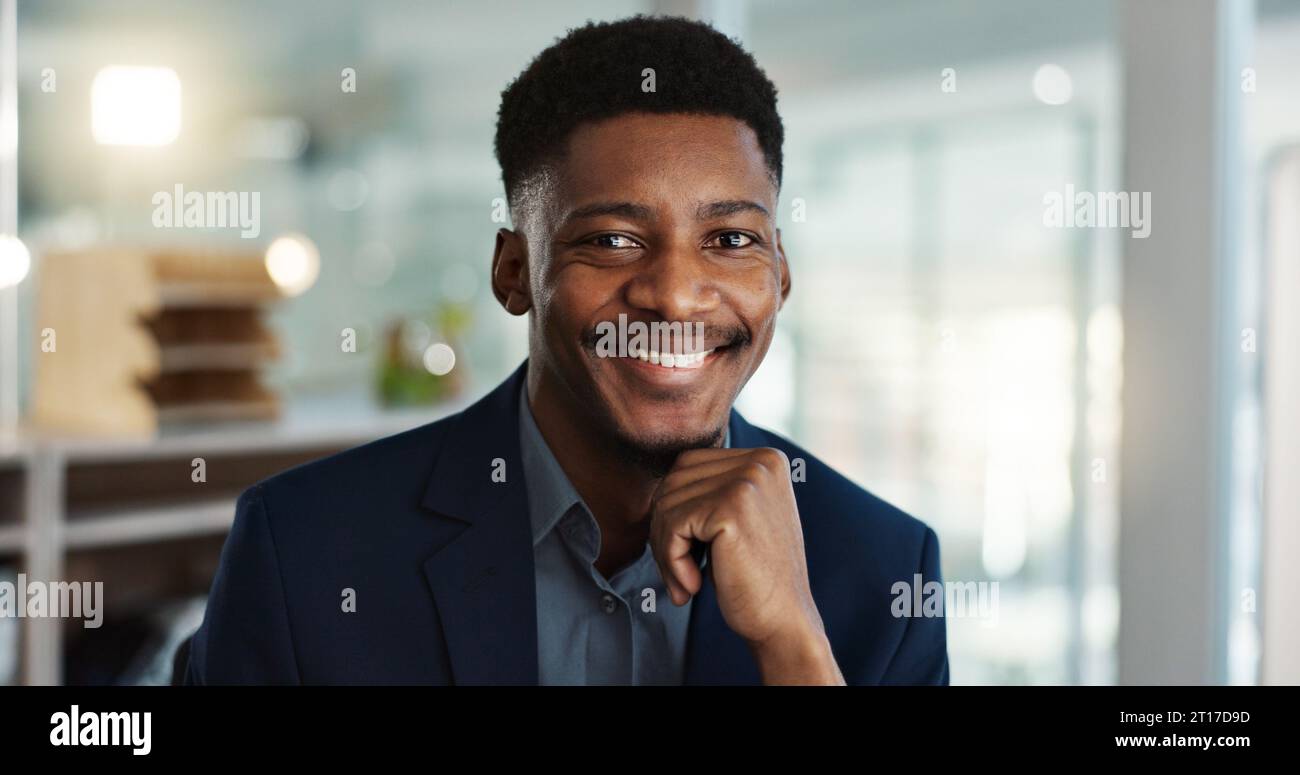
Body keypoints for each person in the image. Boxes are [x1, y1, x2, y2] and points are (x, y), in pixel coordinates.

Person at [184, 15, 949, 686]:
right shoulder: (305, 548)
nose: (676, 296)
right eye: (612, 240)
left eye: (729, 239)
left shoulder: (884, 569)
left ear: (779, 273)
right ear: (514, 271)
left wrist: (793, 645)